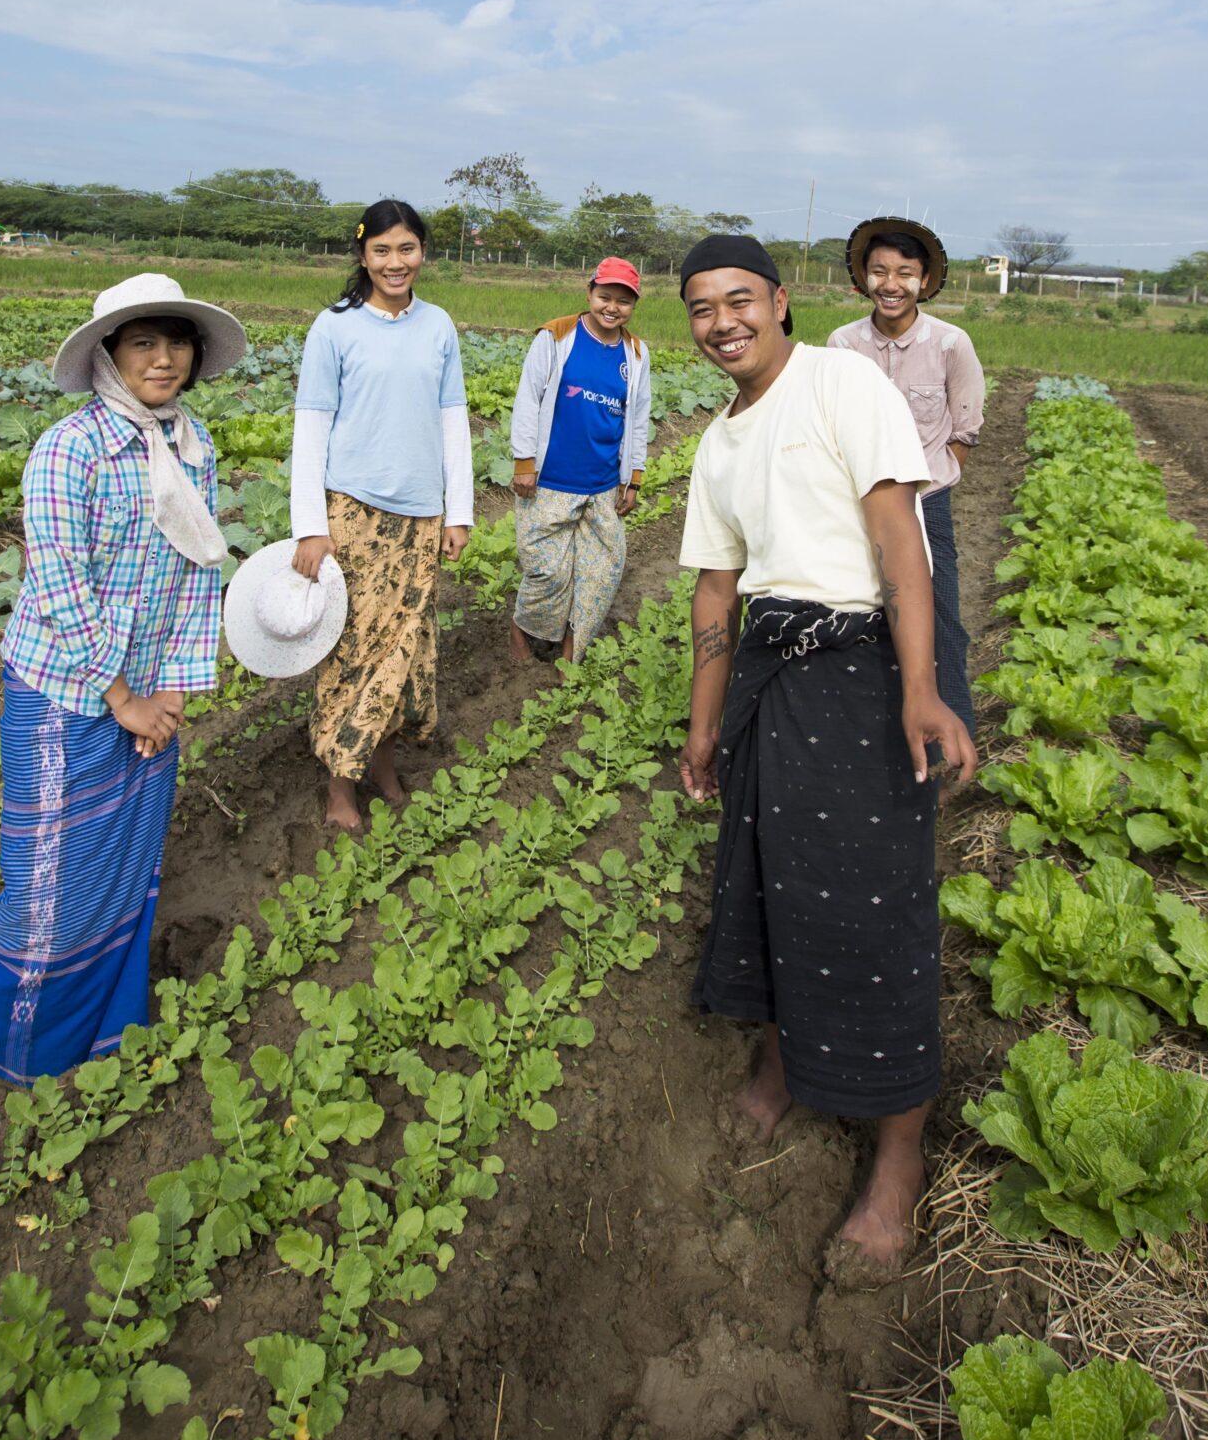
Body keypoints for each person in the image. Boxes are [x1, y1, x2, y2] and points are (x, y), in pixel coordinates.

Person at [674, 235, 976, 1268]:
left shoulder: (843, 382)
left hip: (863, 660)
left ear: (780, 301)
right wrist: (704, 724)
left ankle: (898, 1158)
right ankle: (782, 1063)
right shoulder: (717, 443)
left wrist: (924, 690)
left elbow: (902, 542)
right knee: (763, 876)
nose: (724, 322)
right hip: (771, 670)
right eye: (704, 308)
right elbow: (718, 591)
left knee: (873, 898)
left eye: (739, 300)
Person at [0, 274, 246, 1102]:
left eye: (176, 342)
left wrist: (174, 696)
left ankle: (101, 1030)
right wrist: (124, 700)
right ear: (109, 357)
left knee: (125, 866)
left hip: (152, 692)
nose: (163, 359)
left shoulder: (192, 445)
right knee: (47, 875)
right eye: (143, 343)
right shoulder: (69, 448)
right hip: (67, 695)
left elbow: (197, 575)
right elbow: (57, 584)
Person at [289, 200, 473, 833]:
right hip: (352, 517)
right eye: (382, 251)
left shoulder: (439, 326)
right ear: (362, 256)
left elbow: (454, 422)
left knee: (405, 650)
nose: (396, 263)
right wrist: (312, 525)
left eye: (407, 249)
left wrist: (459, 512)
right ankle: (342, 784)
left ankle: (384, 766)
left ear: (423, 253)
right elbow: (310, 428)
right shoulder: (334, 328)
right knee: (353, 650)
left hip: (420, 518)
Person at [829, 218, 985, 736]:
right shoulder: (844, 343)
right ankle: (873, 731)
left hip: (927, 502)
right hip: (859, 502)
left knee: (940, 620)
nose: (890, 283)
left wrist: (930, 484)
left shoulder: (949, 343)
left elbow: (965, 429)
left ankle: (951, 742)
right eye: (879, 272)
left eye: (904, 272)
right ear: (864, 279)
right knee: (860, 614)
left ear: (923, 281)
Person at [508, 256, 652, 665]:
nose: (612, 307)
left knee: (601, 574)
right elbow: (528, 400)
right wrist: (523, 462)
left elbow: (637, 419)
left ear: (633, 306)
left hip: (603, 485)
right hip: (550, 480)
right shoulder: (556, 337)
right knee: (548, 572)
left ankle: (571, 655)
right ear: (589, 292)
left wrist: (634, 478)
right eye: (604, 296)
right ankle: (520, 630)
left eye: (623, 302)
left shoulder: (636, 354)